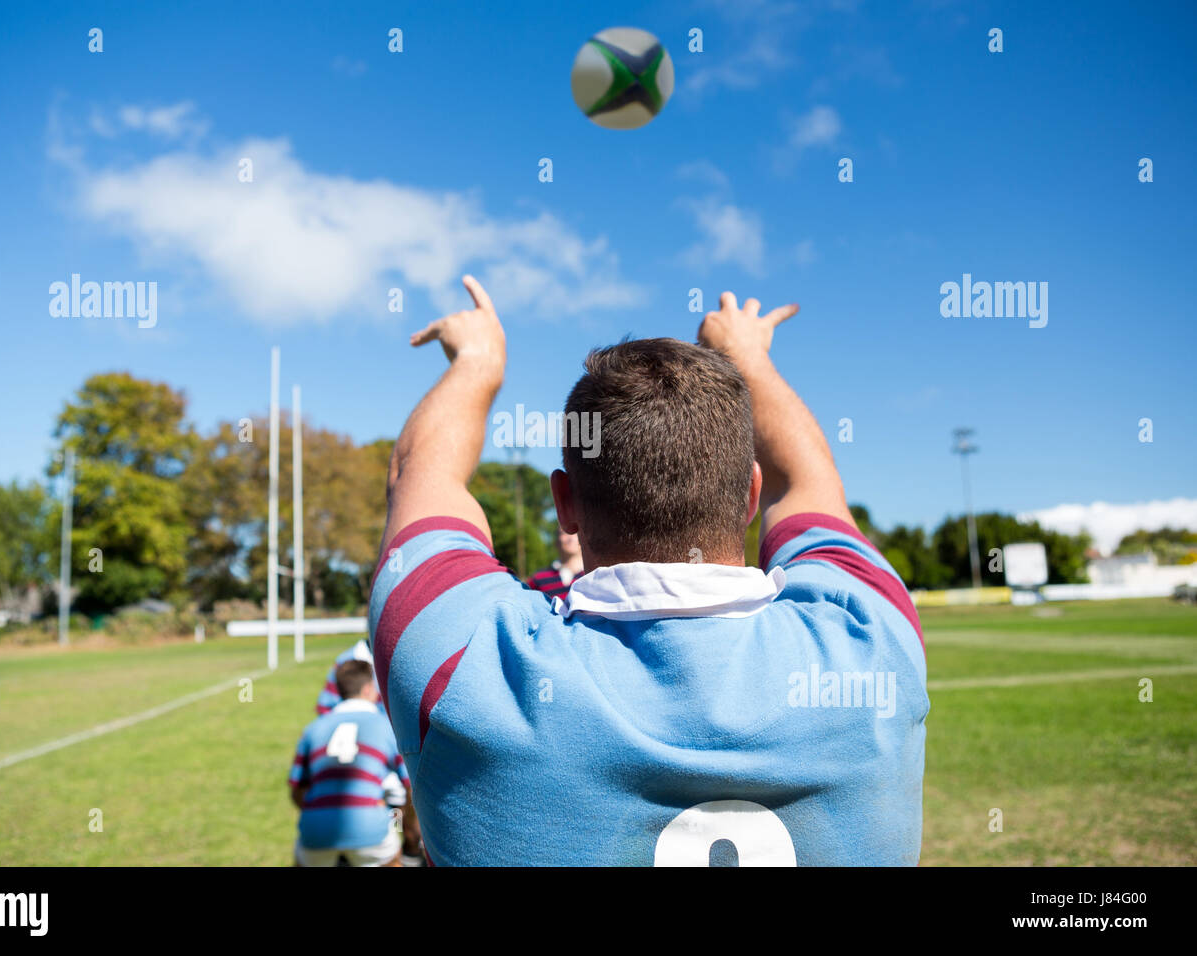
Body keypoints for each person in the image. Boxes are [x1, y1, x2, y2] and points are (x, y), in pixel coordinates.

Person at [369, 275, 928, 865]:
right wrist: (747, 357)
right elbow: (808, 483)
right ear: (749, 497)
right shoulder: (875, 643)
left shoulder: (463, 663)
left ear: (565, 504)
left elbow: (419, 479)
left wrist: (477, 361)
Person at [288, 660, 420, 866]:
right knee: (393, 859)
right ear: (368, 689)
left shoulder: (313, 728)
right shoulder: (386, 726)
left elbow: (297, 791)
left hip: (316, 829)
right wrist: (410, 833)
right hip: (369, 826)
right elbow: (410, 786)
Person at [526, 529, 583, 599]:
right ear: (556, 542)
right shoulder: (538, 579)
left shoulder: (595, 576)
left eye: (575, 533)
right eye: (565, 533)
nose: (570, 538)